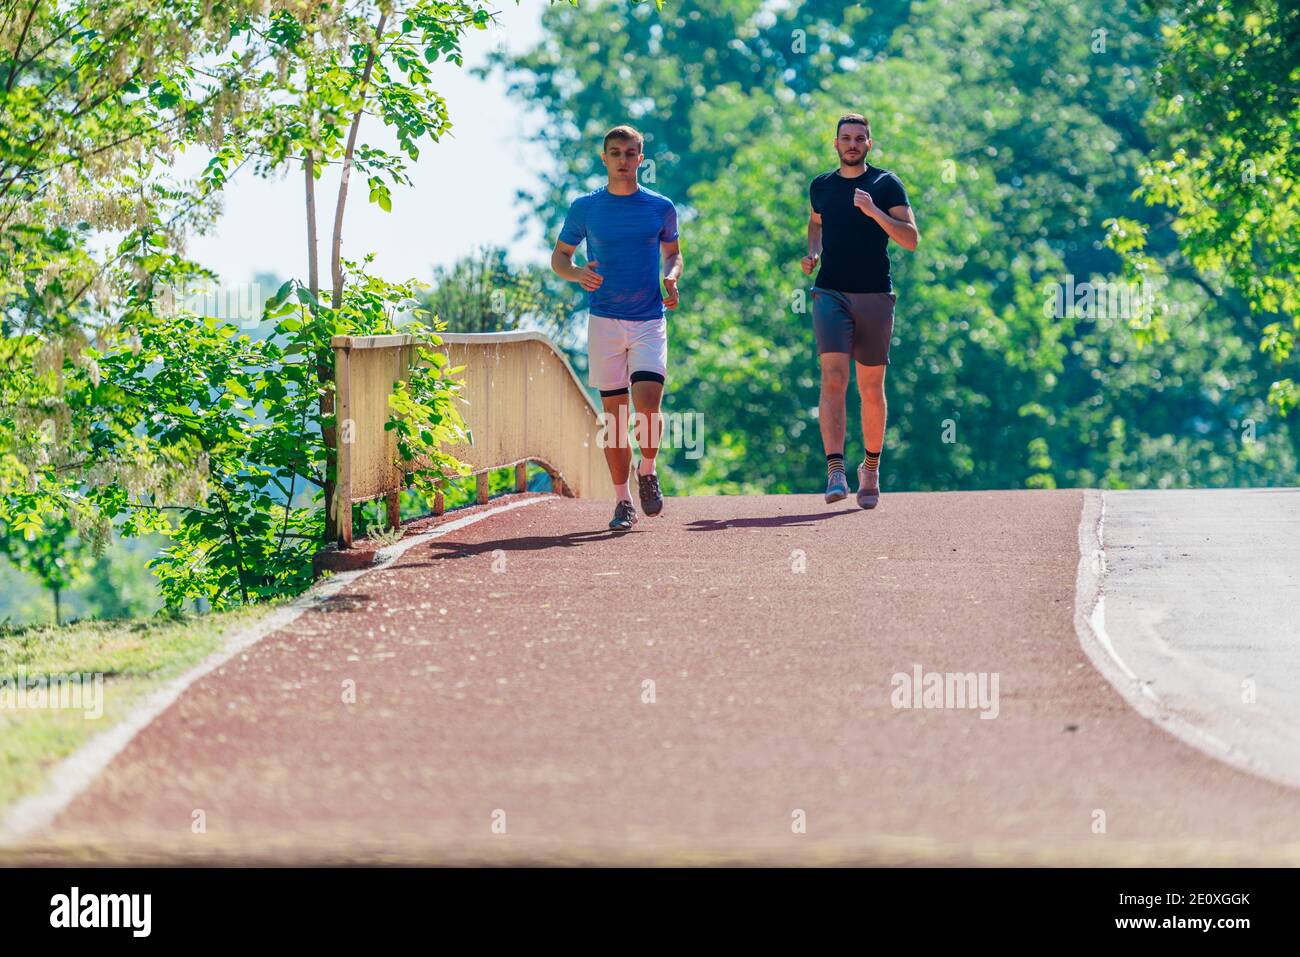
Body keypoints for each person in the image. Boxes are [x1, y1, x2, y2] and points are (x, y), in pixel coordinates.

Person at [552, 124, 683, 530]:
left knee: (648, 404)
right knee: (614, 416)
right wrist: (577, 275)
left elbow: (673, 253)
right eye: (615, 153)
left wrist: (672, 276)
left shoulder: (660, 207)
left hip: (648, 320)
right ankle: (622, 500)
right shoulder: (585, 208)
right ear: (604, 157)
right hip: (605, 321)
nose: (623, 160)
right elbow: (560, 258)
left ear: (641, 159)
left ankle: (648, 470)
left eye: (630, 153)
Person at [802, 113, 919, 509]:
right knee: (833, 379)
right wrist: (813, 252)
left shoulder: (886, 185)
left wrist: (875, 213)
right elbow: (815, 223)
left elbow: (911, 240)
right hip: (830, 292)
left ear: (870, 144)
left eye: (859, 138)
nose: (852, 144)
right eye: (845, 138)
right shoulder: (821, 186)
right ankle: (835, 469)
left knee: (871, 387)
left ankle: (870, 468)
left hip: (874, 295)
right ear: (835, 143)